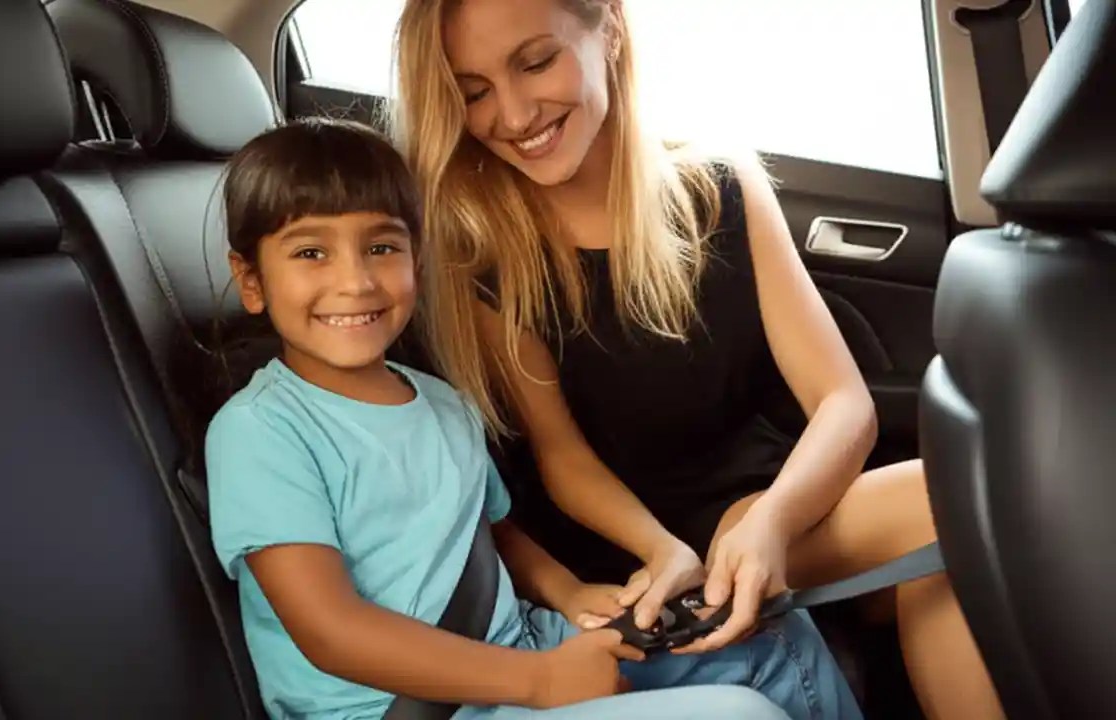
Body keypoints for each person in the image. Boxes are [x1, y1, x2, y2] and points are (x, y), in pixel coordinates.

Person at [389, 1, 1006, 719]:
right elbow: (564, 462)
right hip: (647, 547)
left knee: (946, 555)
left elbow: (843, 401)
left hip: (773, 506)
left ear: (609, 27)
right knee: (957, 496)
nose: (516, 112)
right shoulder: (491, 248)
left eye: (535, 63)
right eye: (474, 92)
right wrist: (663, 550)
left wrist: (773, 522)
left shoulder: (719, 183)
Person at [204, 117, 860, 719]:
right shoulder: (260, 433)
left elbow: (492, 532)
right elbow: (332, 631)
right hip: (393, 706)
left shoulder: (439, 400)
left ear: (418, 260)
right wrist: (537, 680)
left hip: (516, 644)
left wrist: (571, 592)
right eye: (311, 253)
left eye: (381, 247)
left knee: (773, 636)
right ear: (251, 280)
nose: (356, 282)